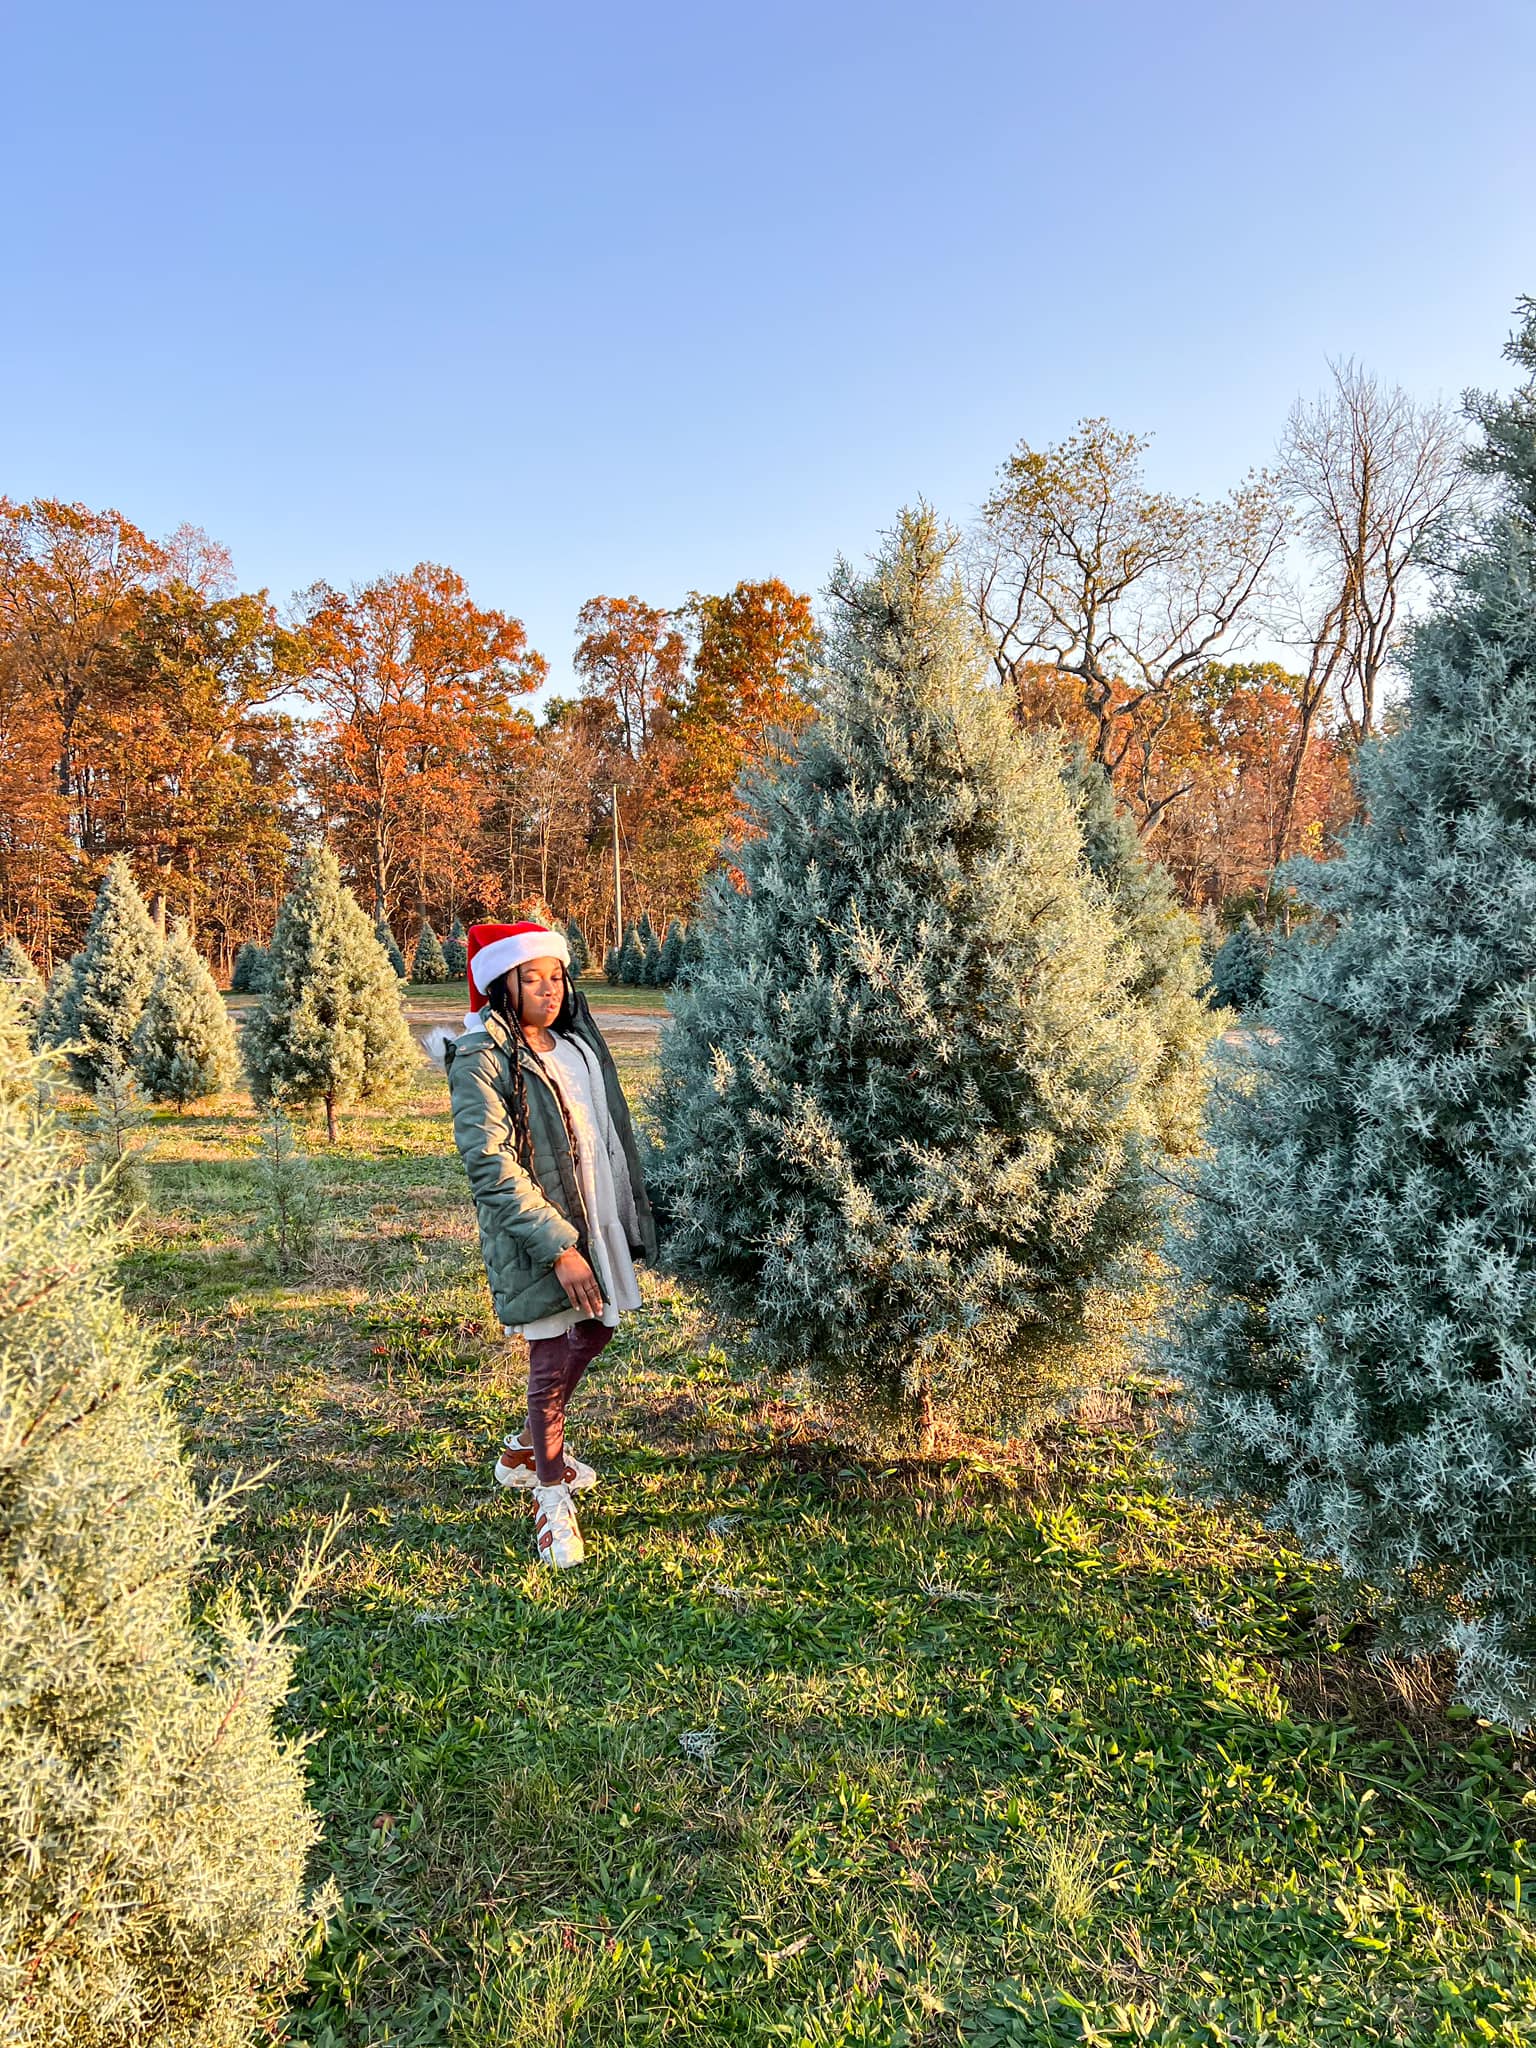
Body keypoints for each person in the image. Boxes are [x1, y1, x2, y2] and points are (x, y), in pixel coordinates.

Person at [443, 921, 656, 1568]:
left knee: (596, 1329)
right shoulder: (482, 1059)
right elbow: (490, 1164)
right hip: (542, 1233)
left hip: (595, 1218)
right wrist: (557, 1249)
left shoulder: (574, 1047)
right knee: (548, 1355)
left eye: (556, 975)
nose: (548, 989)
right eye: (530, 977)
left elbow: (603, 1134)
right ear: (499, 984)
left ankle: (525, 1449)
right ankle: (549, 1492)